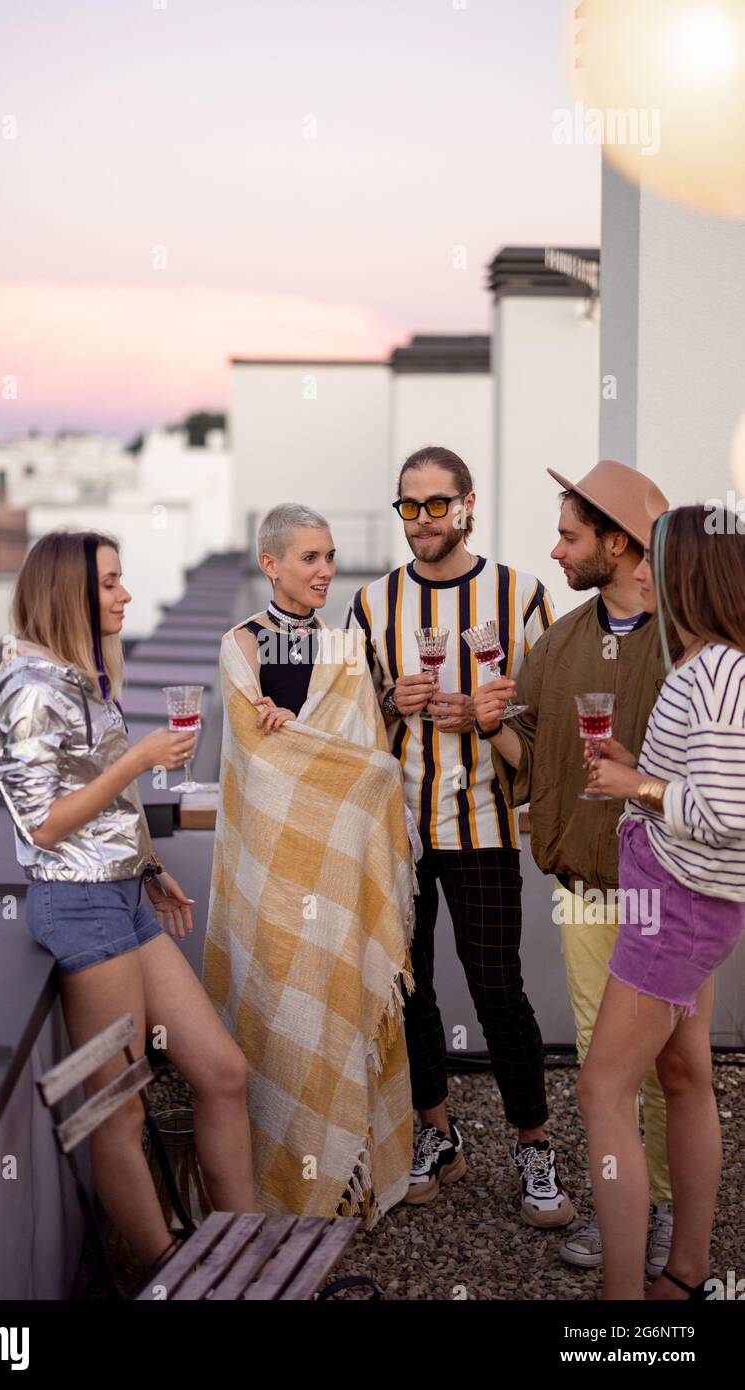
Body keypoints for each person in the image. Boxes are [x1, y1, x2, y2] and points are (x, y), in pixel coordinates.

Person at [0, 530, 256, 1270]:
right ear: (68, 591)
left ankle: (245, 1252)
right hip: (77, 909)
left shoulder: (79, 676)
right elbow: (41, 822)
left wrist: (148, 861)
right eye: (109, 583)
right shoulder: (31, 690)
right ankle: (167, 1272)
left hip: (122, 898)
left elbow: (96, 803)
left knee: (223, 1073)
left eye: (121, 580)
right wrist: (137, 758)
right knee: (117, 1108)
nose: (124, 594)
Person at [345, 446, 573, 1227]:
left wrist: (491, 714)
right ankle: (437, 1134)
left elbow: (553, 732)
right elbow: (341, 732)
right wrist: (385, 701)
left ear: (467, 505)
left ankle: (534, 1147)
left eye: (436, 505)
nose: (421, 521)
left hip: (481, 823)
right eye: (408, 507)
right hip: (396, 831)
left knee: (498, 992)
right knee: (407, 990)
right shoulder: (372, 605)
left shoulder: (521, 594)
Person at [474, 459, 676, 1276]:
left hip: (672, 895)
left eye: (568, 536)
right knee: (602, 1061)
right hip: (586, 894)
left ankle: (659, 1215)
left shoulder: (692, 640)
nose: (554, 553)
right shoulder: (557, 643)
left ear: (618, 542)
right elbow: (539, 771)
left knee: (669, 1067)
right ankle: (622, 1212)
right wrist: (493, 725)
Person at [203, 503, 415, 1225]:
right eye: (309, 559)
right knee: (276, 1009)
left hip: (338, 873)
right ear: (271, 564)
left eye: (328, 557)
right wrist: (293, 747)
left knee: (335, 1004)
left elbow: (370, 767)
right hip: (269, 871)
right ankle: (277, 1192)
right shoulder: (240, 648)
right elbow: (256, 768)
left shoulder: (346, 652)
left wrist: (303, 739)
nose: (325, 570)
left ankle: (340, 1189)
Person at [575, 504, 745, 1301]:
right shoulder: (716, 665)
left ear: (688, 575)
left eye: (654, 560)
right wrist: (637, 764)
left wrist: (632, 784)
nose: (640, 572)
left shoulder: (712, 675)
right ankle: (684, 1275)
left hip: (674, 905)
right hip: (684, 901)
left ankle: (622, 1312)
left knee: (600, 1090)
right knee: (682, 1076)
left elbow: (726, 815)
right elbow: (707, 790)